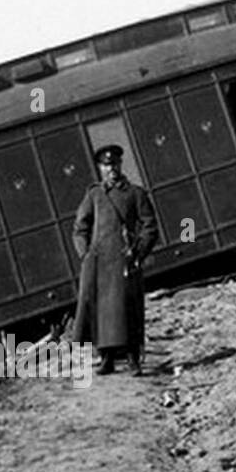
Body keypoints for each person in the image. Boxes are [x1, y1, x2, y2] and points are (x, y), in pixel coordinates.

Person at [72, 144, 159, 376]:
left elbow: (150, 227)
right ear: (100, 168)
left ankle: (133, 360)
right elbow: (80, 227)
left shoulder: (136, 194)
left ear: (121, 164)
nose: (111, 169)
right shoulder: (95, 195)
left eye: (115, 164)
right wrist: (86, 254)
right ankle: (106, 359)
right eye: (106, 165)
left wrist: (138, 252)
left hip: (125, 261)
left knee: (128, 310)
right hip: (99, 263)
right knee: (101, 312)